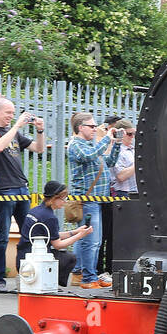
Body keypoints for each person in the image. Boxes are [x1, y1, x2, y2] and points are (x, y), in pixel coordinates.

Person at [0, 97, 45, 294]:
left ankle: (25, 275)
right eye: (8, 112)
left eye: (13, 113)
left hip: (21, 187)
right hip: (4, 189)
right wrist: (16, 126)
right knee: (2, 236)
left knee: (28, 234)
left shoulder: (14, 133)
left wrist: (40, 130)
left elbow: (38, 149)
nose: (11, 116)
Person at [66, 112, 121, 289]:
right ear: (80, 127)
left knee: (85, 239)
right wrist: (106, 138)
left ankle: (79, 273)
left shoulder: (90, 145)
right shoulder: (76, 145)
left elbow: (109, 162)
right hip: (86, 200)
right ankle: (89, 278)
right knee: (92, 241)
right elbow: (89, 156)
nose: (95, 129)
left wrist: (116, 144)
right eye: (92, 126)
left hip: (96, 200)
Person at [23, 180, 90, 287]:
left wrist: (75, 232)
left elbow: (52, 235)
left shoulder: (36, 210)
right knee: (70, 258)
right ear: (54, 198)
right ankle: (51, 284)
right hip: (37, 260)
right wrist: (80, 235)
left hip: (24, 256)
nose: (65, 201)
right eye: (63, 198)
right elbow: (58, 244)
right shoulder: (50, 217)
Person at [101, 118, 137, 276]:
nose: (132, 137)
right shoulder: (118, 151)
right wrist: (138, 165)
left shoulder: (133, 150)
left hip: (133, 193)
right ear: (122, 134)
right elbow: (121, 176)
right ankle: (109, 268)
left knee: (129, 234)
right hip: (120, 194)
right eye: (129, 134)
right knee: (114, 235)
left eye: (134, 134)